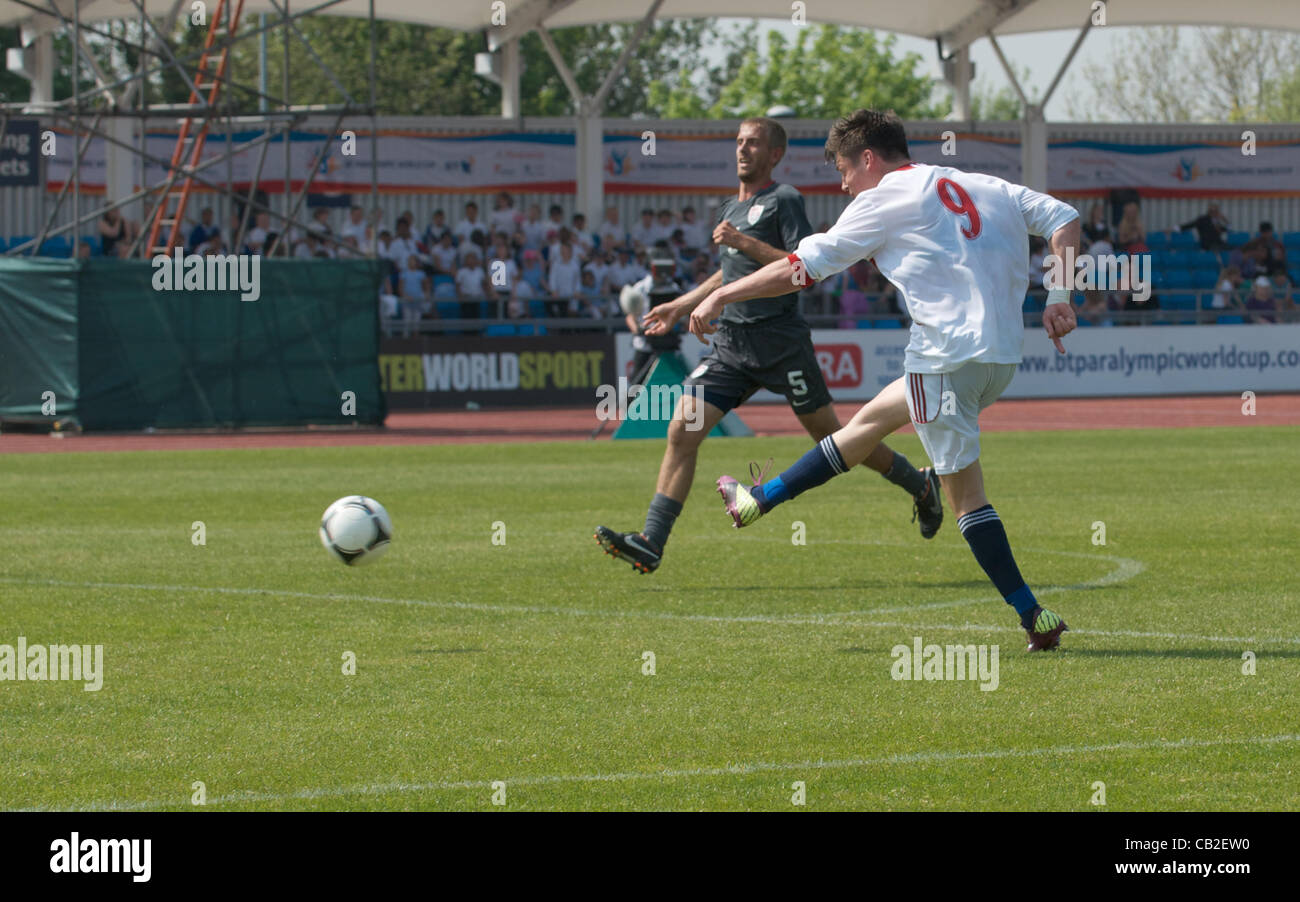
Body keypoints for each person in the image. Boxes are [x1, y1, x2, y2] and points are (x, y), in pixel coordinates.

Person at [691, 109, 1078, 651]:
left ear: (868, 159)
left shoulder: (883, 197)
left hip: (942, 358)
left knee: (967, 499)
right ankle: (759, 500)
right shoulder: (979, 183)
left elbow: (800, 268)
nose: (845, 185)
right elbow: (1065, 218)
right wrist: (1059, 297)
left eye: (846, 171)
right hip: (998, 361)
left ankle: (1033, 616)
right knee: (867, 425)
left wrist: (722, 293)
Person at [593, 116, 939, 576]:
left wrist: (742, 240)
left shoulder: (784, 200)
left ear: (774, 154)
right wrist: (681, 304)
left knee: (832, 437)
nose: (743, 150)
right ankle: (652, 540)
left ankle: (919, 485)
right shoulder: (727, 209)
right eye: (738, 141)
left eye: (753, 143)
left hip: (781, 345)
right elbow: (729, 274)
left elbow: (800, 265)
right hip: (732, 346)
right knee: (682, 430)